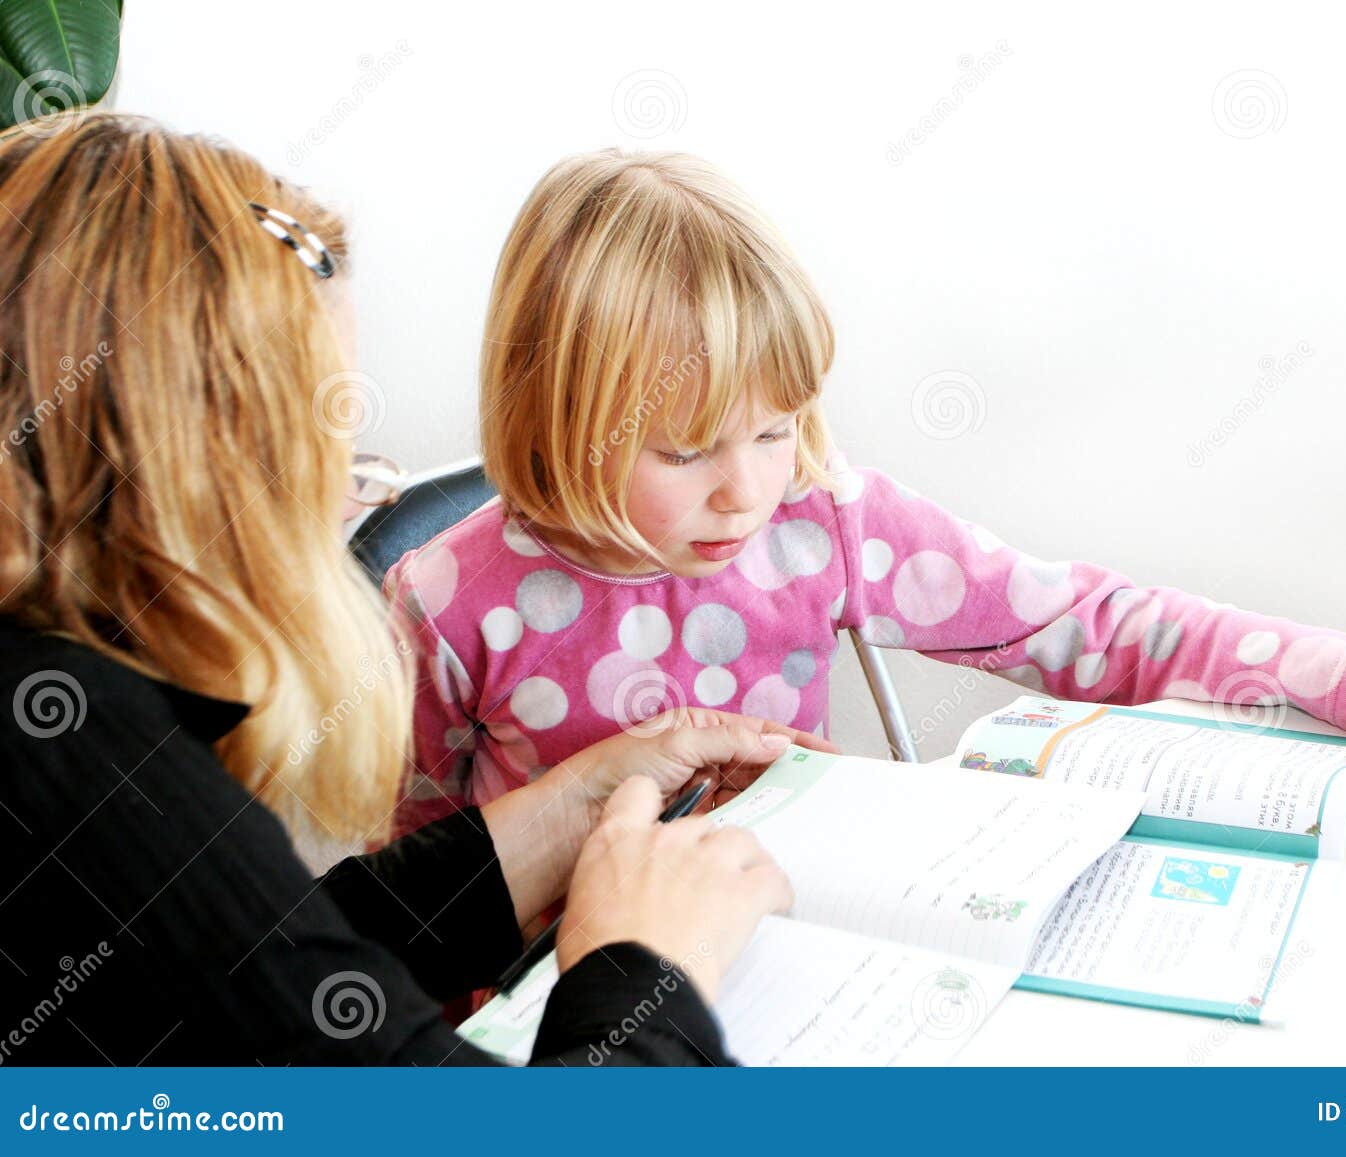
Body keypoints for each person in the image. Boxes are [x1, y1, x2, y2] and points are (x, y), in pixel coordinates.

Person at [387, 148, 1346, 845]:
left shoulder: (825, 516)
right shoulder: (447, 596)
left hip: (801, 942)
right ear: (553, 408)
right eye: (688, 451)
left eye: (774, 425)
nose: (749, 487)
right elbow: (423, 869)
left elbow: (1092, 625)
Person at [0, 112, 824, 1065]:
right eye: (329, 458)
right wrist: (648, 962)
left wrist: (576, 806)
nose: (341, 503)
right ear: (201, 475)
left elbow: (257, 962)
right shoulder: (80, 759)